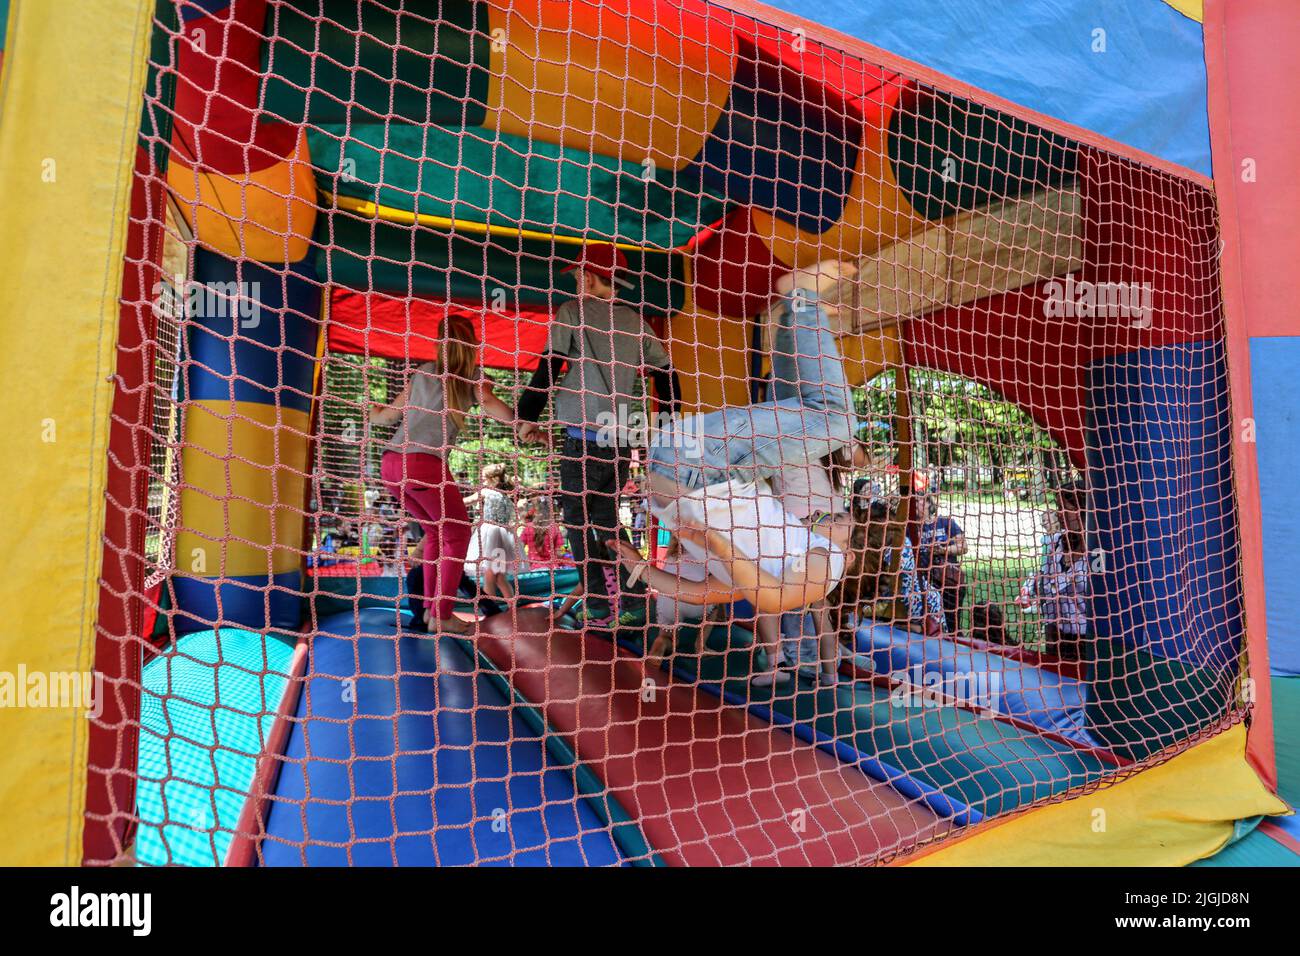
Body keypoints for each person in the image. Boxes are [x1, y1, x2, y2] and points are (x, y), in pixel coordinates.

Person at [610, 260, 859, 687]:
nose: (837, 522)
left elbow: (769, 597)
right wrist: (638, 568)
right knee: (795, 405)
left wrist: (710, 545)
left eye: (840, 524)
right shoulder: (751, 576)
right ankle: (795, 311)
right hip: (692, 475)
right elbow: (690, 592)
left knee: (838, 421)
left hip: (701, 465)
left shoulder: (824, 567)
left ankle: (802, 296)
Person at [515, 242, 684, 629]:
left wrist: (527, 415)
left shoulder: (573, 311)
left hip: (583, 437)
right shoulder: (636, 321)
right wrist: (671, 423)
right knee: (606, 519)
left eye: (578, 275)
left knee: (577, 517)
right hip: (620, 441)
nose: (576, 281)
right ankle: (635, 597)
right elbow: (667, 373)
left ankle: (595, 601)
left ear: (590, 276)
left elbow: (551, 365)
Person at [370, 316, 518, 635]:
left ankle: (428, 611)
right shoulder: (472, 377)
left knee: (437, 533)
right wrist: (521, 423)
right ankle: (442, 614)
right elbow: (490, 402)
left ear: (440, 344)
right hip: (423, 465)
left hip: (392, 465)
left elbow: (384, 418)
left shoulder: (423, 372)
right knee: (458, 534)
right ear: (473, 346)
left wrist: (370, 409)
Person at [464, 463, 527, 605]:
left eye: (484, 479)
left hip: (491, 536)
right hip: (504, 537)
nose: (482, 482)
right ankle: (512, 606)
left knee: (490, 577)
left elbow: (468, 501)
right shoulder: (505, 496)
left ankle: (491, 609)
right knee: (499, 577)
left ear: (493, 480)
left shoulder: (486, 491)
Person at [916, 493, 967, 633]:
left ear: (928, 503)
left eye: (918, 501)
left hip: (948, 580)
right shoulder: (911, 528)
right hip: (925, 582)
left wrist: (943, 550)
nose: (915, 505)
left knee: (951, 622)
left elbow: (963, 547)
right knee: (929, 622)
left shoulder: (945, 522)